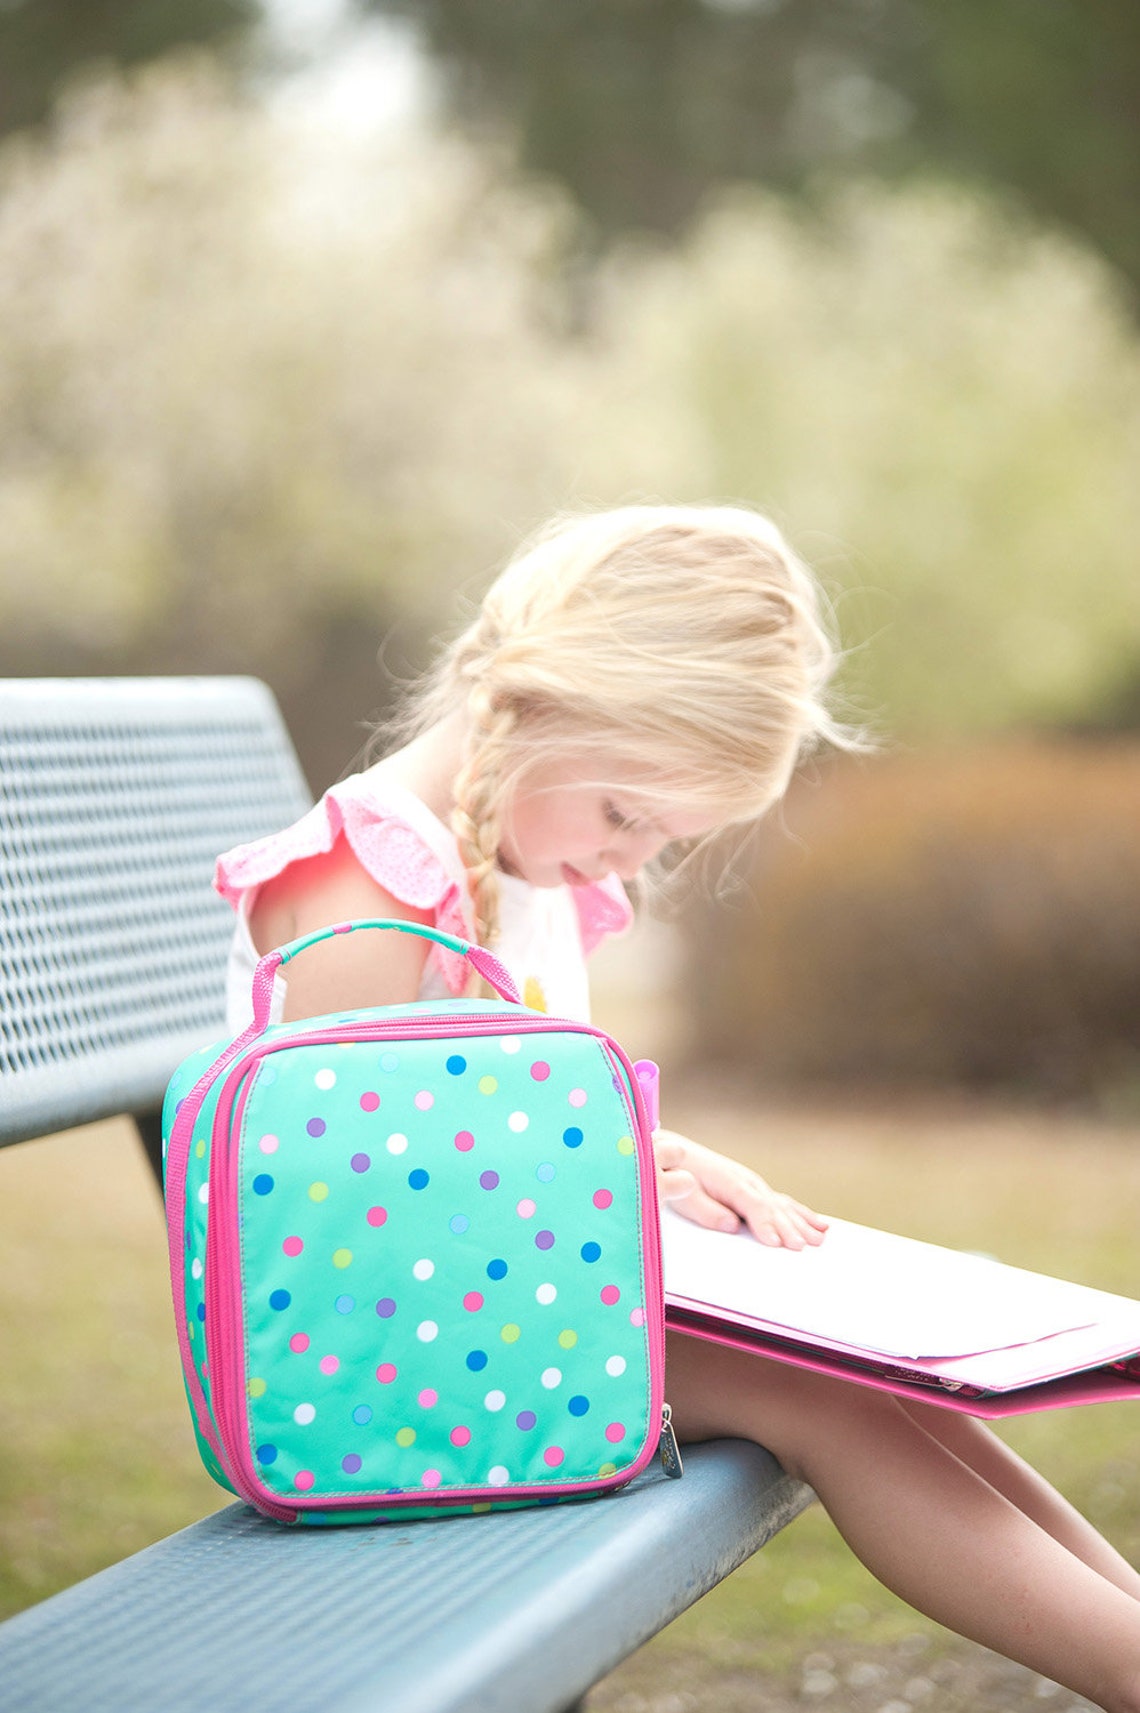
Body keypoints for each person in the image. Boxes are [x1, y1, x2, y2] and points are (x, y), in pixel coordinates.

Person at [216, 503, 1140, 1711]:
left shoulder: (514, 857)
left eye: (662, 837)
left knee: (875, 1374)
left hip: (489, 1328)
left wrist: (650, 1161)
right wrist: (605, 1197)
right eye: (625, 816)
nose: (628, 861)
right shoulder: (368, 888)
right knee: (822, 1396)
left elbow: (479, 1128)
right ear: (547, 700)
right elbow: (358, 1219)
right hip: (386, 1380)